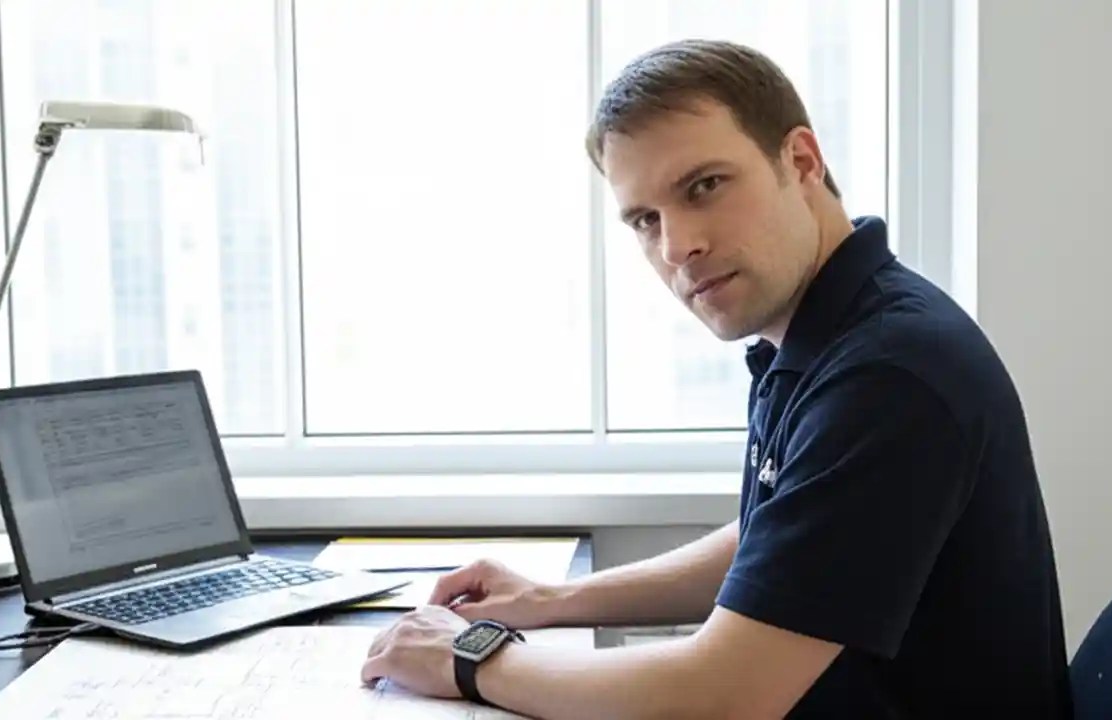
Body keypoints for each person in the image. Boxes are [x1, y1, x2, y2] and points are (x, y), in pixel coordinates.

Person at [361, 39, 1072, 719]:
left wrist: (471, 657)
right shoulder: (823, 333)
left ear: (800, 161)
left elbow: (723, 697)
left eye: (704, 186)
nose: (678, 247)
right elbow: (781, 545)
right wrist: (554, 599)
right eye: (645, 219)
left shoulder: (889, 374)